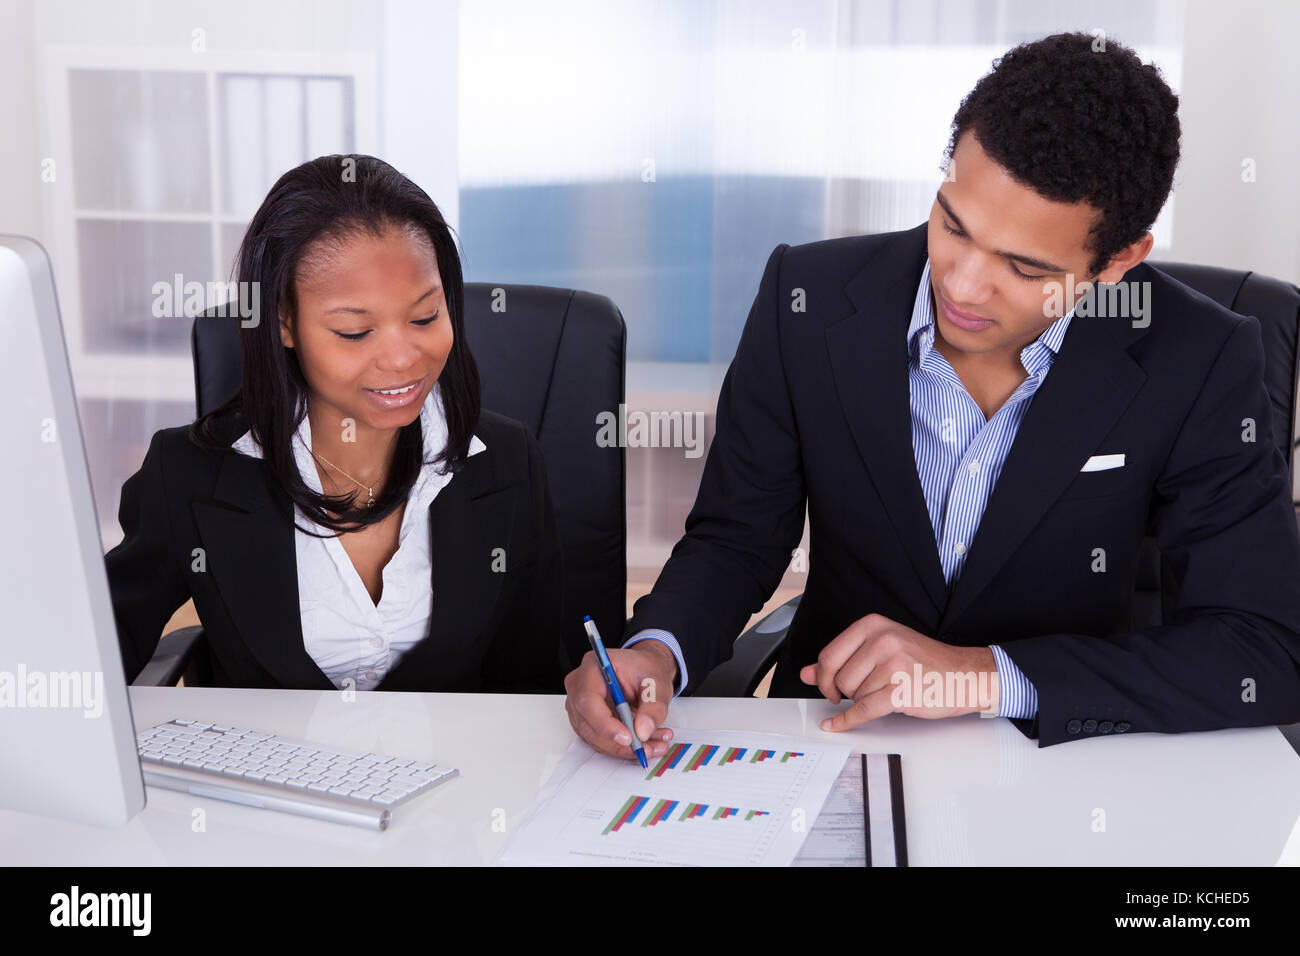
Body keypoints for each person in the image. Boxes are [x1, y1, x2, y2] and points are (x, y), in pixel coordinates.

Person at [565, 31, 1300, 753]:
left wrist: (982, 676)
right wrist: (656, 654)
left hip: (1061, 762)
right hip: (835, 736)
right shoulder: (808, 299)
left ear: (1118, 262)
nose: (962, 284)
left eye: (1024, 267)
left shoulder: (1198, 356)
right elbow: (736, 541)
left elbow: (1262, 649)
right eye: (953, 224)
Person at [109, 154, 567, 693]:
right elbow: (94, 650)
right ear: (283, 323)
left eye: (425, 317)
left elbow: (533, 687)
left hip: (455, 772)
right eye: (355, 332)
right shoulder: (188, 473)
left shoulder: (508, 463)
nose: (402, 359)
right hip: (267, 771)